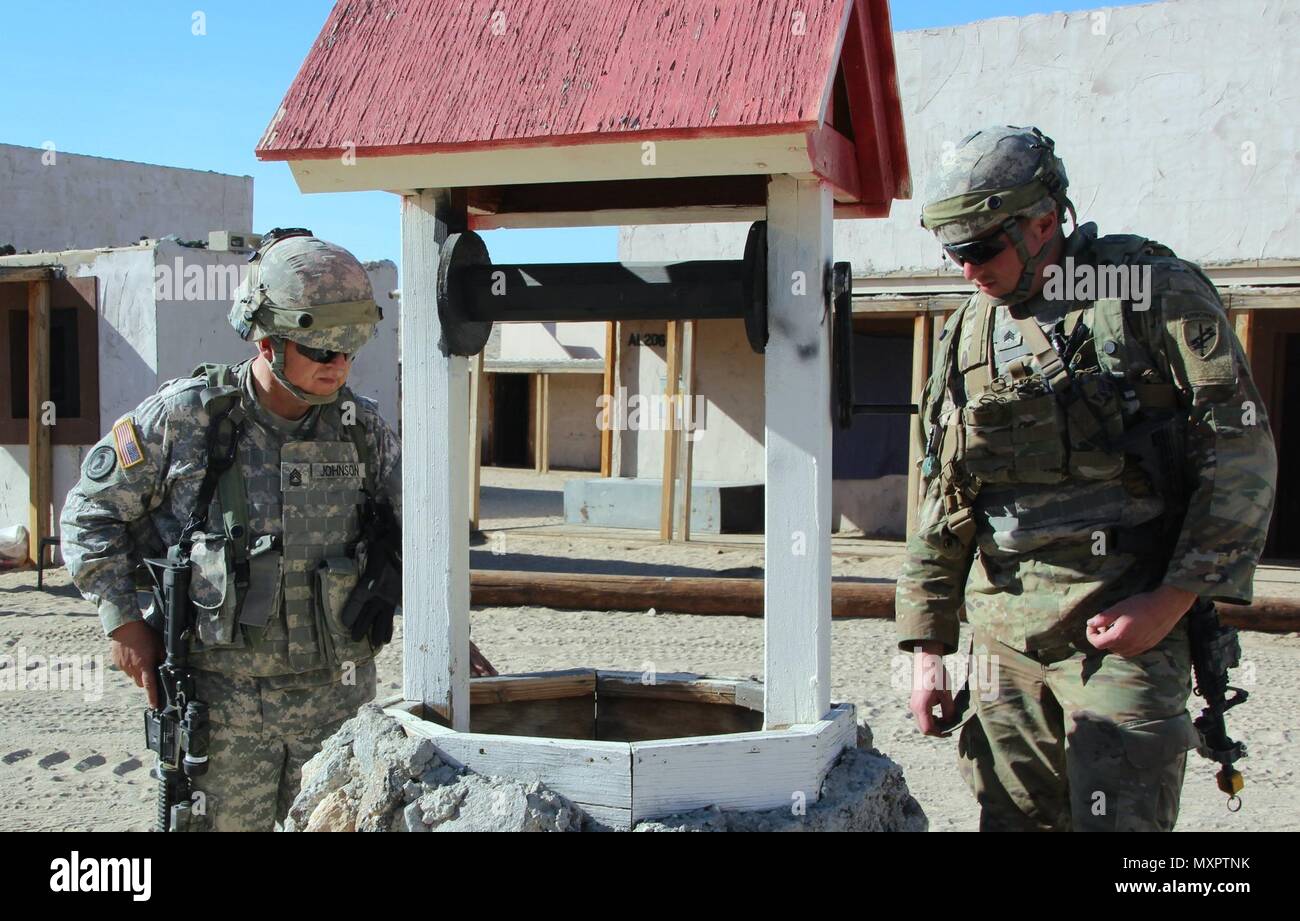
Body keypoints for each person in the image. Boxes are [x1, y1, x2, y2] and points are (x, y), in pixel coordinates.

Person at [896, 127, 1276, 831]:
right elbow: (941, 499)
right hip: (1004, 642)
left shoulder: (1146, 292)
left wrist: (1172, 598)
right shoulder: (963, 337)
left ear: (1044, 222)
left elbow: (1240, 450)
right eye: (954, 251)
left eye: (983, 248)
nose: (967, 269)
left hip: (1123, 630)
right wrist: (928, 647)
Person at [61, 228, 496, 831]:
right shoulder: (186, 420)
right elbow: (90, 515)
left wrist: (449, 629)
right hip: (223, 704)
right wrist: (125, 622)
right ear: (267, 343)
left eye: (350, 350)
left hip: (336, 700)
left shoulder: (359, 430)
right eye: (321, 352)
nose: (339, 366)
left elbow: (417, 536)